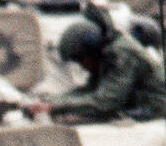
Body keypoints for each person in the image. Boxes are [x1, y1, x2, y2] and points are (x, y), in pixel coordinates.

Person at [28, 6, 166, 123]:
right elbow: (90, 90)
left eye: (80, 60)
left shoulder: (121, 54)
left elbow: (105, 102)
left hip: (155, 110)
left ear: (91, 50)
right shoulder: (105, 54)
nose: (82, 67)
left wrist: (54, 106)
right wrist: (49, 101)